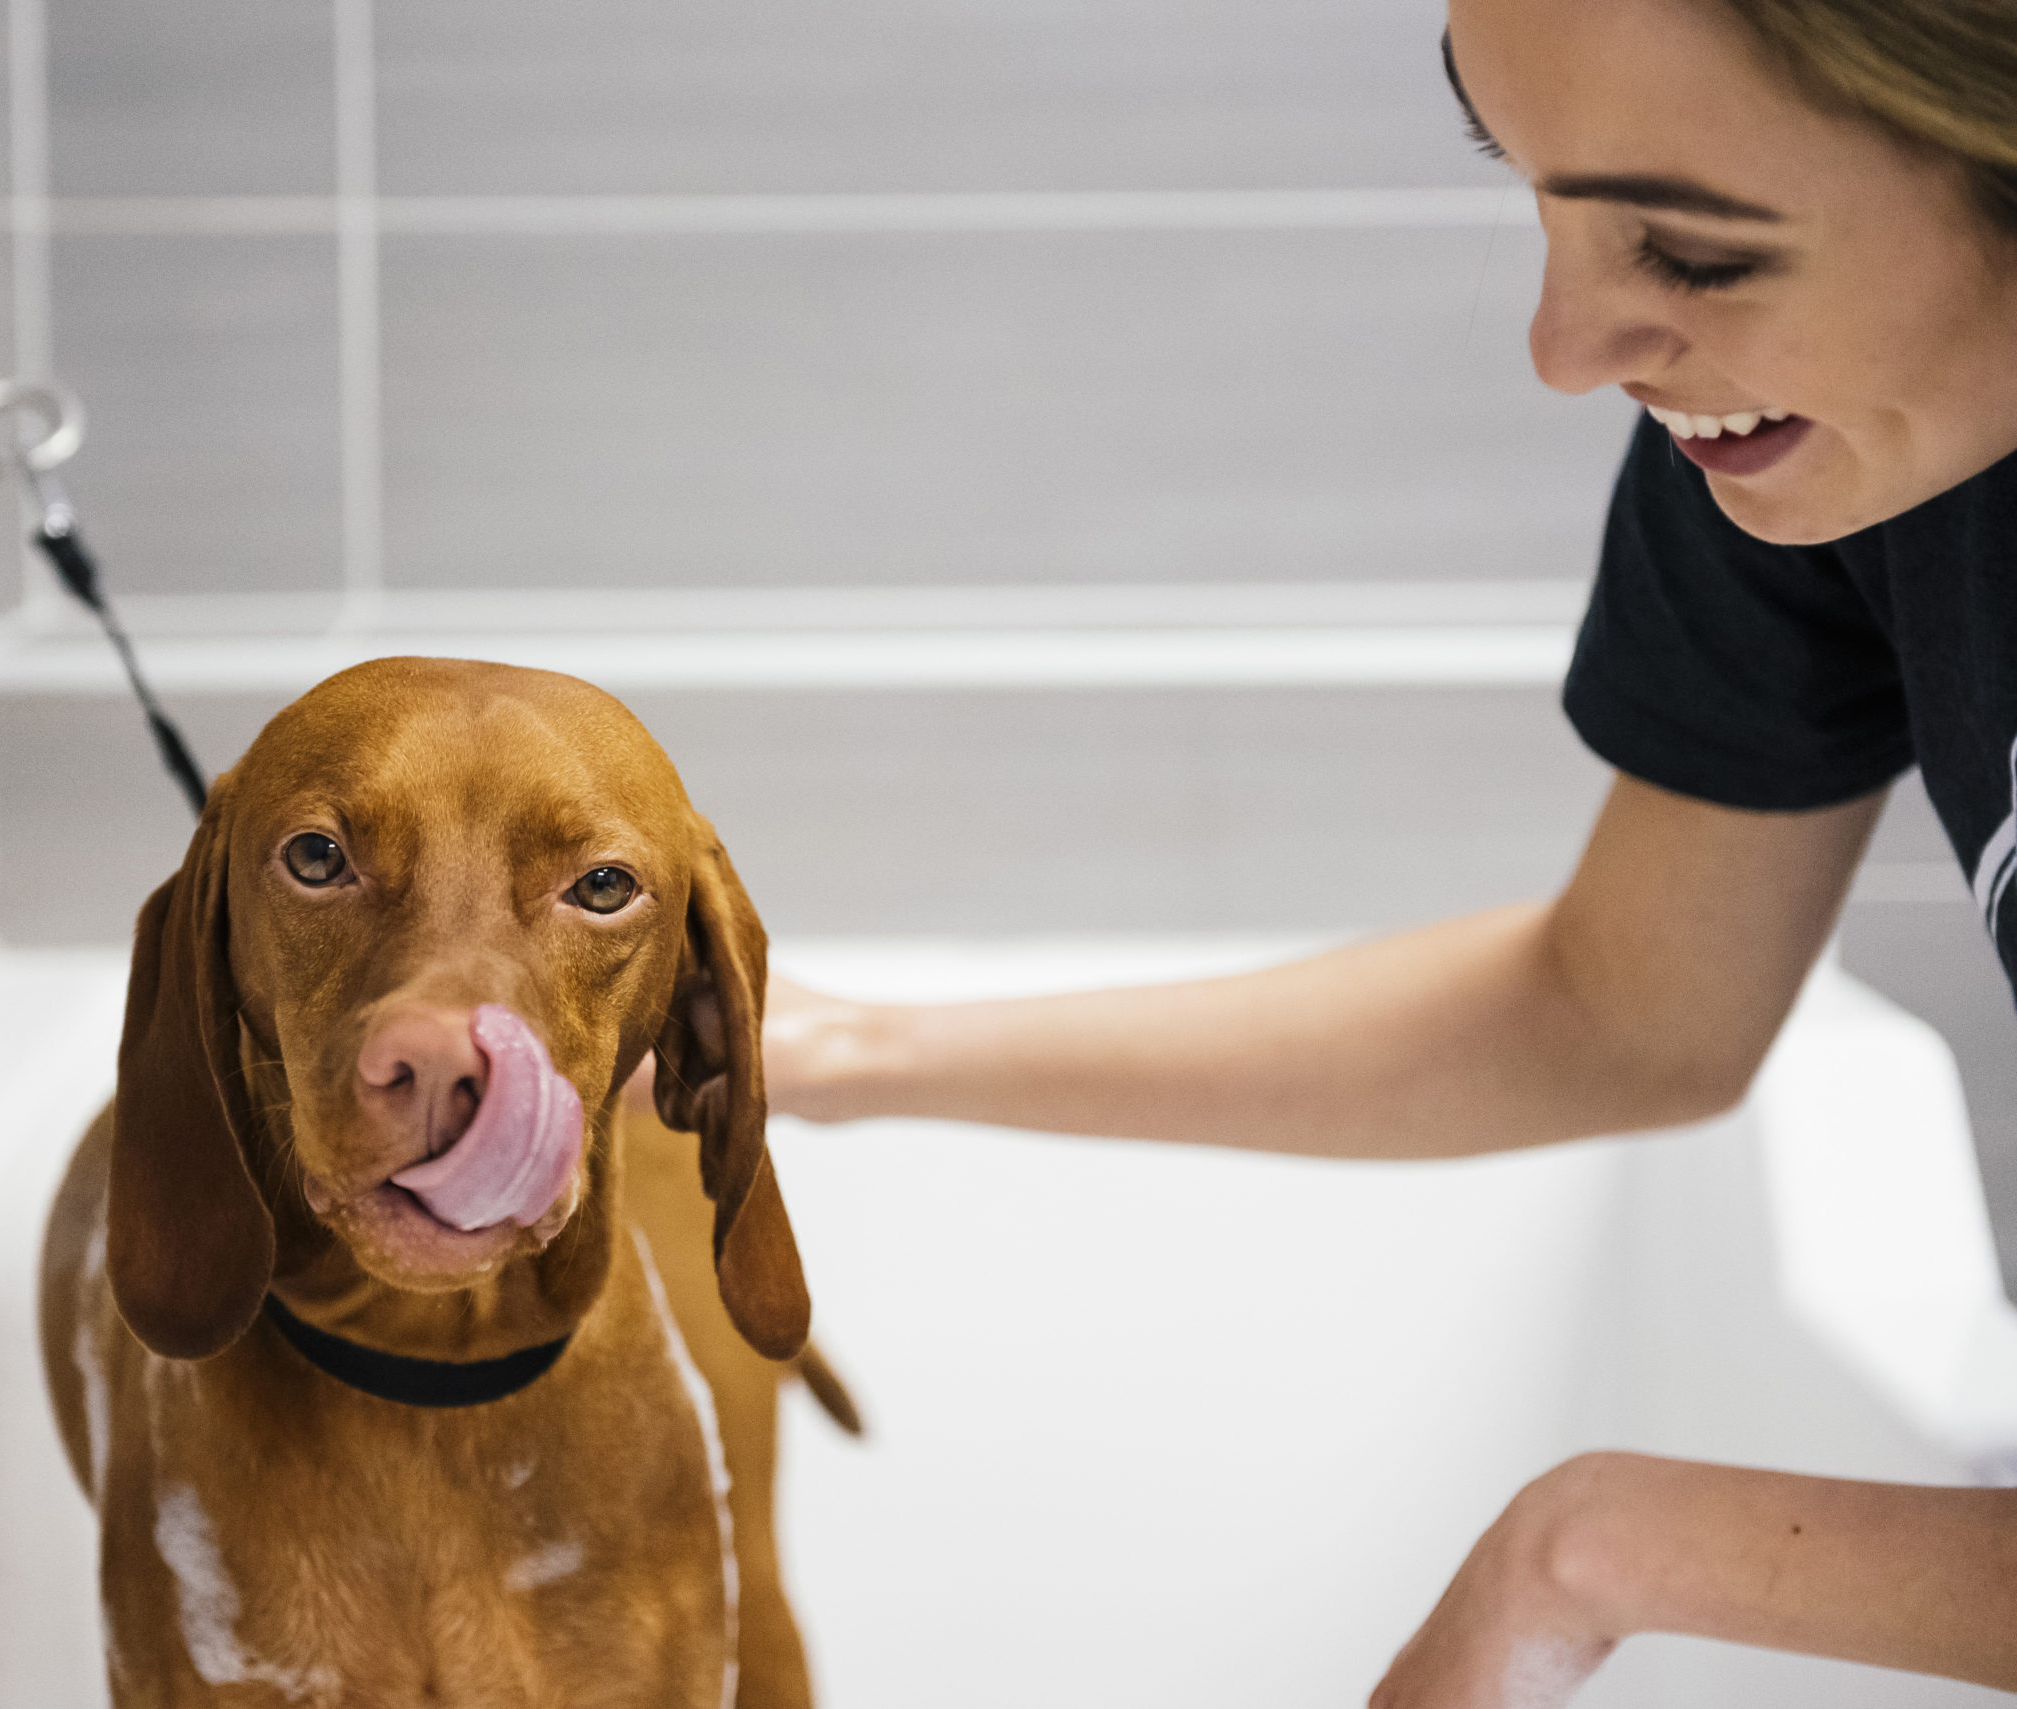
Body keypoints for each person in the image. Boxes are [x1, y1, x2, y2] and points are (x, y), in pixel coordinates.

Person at [754, 0, 2017, 1700]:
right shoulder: (1843, 446)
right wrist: (835, 1054)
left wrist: (1593, 1545)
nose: (1566, 346)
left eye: (1696, 254)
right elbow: (1628, 1008)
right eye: (1539, 193)